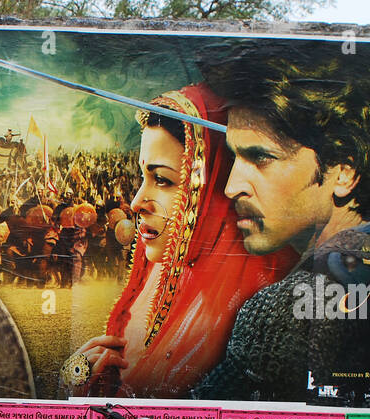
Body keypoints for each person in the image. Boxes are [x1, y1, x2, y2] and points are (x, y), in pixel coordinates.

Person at [188, 46, 370, 401]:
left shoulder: (279, 312)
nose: (231, 186)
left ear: (344, 171)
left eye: (260, 157)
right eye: (236, 156)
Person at [67, 85, 297, 398]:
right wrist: (75, 377)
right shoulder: (166, 268)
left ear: (214, 185)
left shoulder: (273, 297)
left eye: (162, 179)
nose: (136, 202)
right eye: (143, 177)